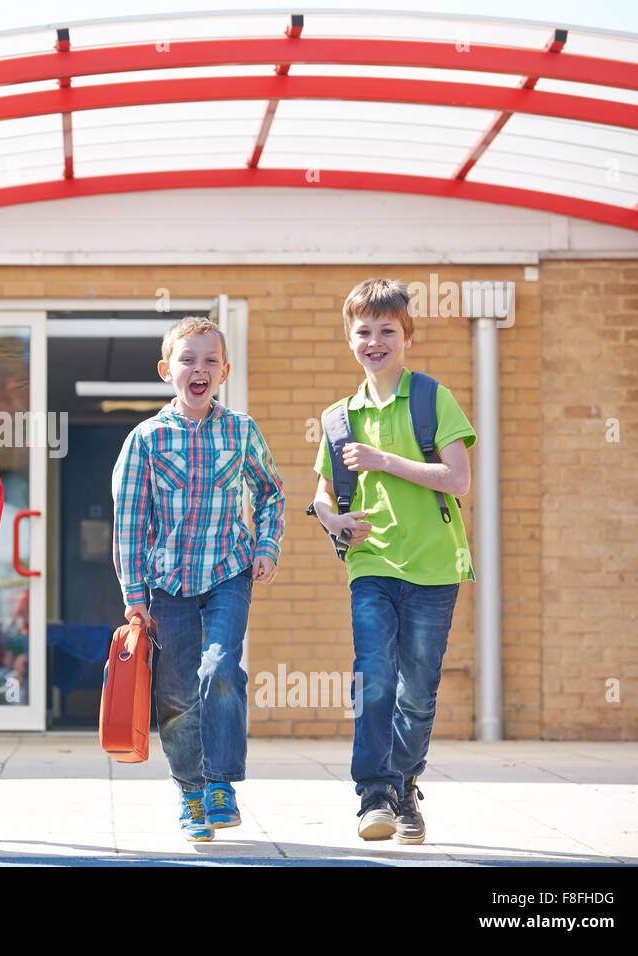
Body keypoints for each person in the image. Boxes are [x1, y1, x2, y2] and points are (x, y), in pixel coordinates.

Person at [309, 278, 475, 844]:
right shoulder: (338, 417)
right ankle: (374, 793)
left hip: (434, 566)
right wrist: (332, 519)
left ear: (407, 336)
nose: (375, 340)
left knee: (418, 688)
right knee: (374, 676)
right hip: (371, 563)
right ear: (349, 338)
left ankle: (405, 785)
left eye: (387, 330)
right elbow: (323, 494)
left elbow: (458, 479)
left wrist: (384, 459)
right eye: (364, 332)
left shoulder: (432, 398)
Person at [112, 315, 284, 841]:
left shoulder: (242, 430)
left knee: (220, 669)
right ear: (168, 370)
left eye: (210, 360)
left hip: (229, 573)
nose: (199, 368)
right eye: (188, 359)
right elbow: (129, 520)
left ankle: (221, 786)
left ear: (225, 371)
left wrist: (266, 544)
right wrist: (135, 595)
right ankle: (189, 792)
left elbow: (271, 491)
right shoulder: (145, 439)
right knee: (177, 693)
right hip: (168, 587)